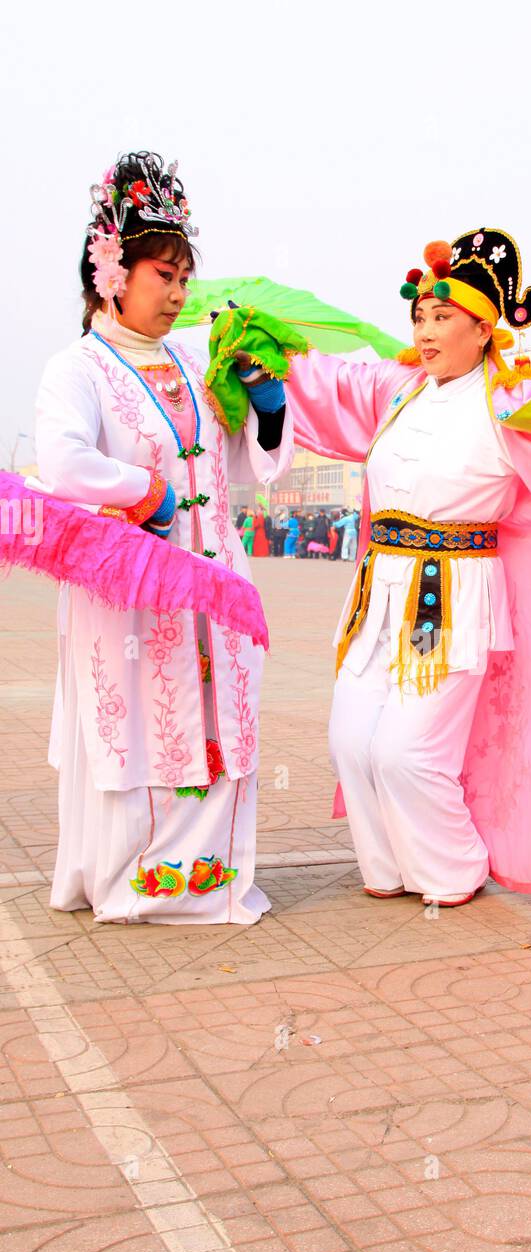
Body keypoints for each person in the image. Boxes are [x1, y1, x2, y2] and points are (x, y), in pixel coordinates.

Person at [279, 229, 531, 905]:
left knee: (407, 753)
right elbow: (324, 380)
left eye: (443, 317)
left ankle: (454, 870)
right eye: (420, 317)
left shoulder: (512, 401)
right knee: (350, 741)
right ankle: (388, 870)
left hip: (449, 595)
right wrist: (259, 342)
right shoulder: (397, 389)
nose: (426, 329)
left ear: (482, 328)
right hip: (377, 591)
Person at [25, 151, 293, 924]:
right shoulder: (76, 369)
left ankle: (216, 878)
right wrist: (144, 491)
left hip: (214, 585)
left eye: (183, 278)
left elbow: (241, 465)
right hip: (133, 591)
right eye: (162, 276)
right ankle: (134, 883)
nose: (178, 294)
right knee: (144, 725)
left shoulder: (195, 358)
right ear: (112, 273)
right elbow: (67, 460)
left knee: (217, 721)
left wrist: (264, 406)